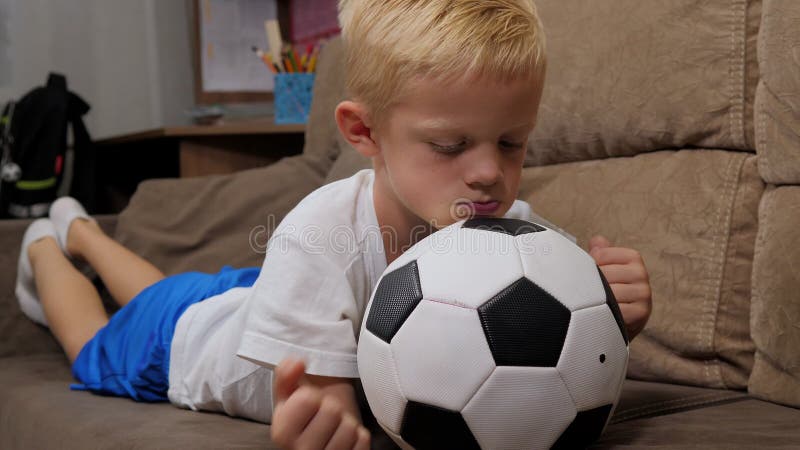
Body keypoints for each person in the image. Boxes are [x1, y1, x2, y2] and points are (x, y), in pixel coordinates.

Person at [16, 1, 653, 449]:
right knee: (103, 337)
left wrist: (609, 314)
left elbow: (557, 323)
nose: (488, 173)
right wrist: (326, 412)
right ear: (363, 132)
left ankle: (88, 235)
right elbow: (334, 401)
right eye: (451, 145)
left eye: (512, 143)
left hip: (256, 298)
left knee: (165, 292)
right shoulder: (318, 234)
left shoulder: (512, 234)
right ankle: (53, 238)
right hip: (186, 348)